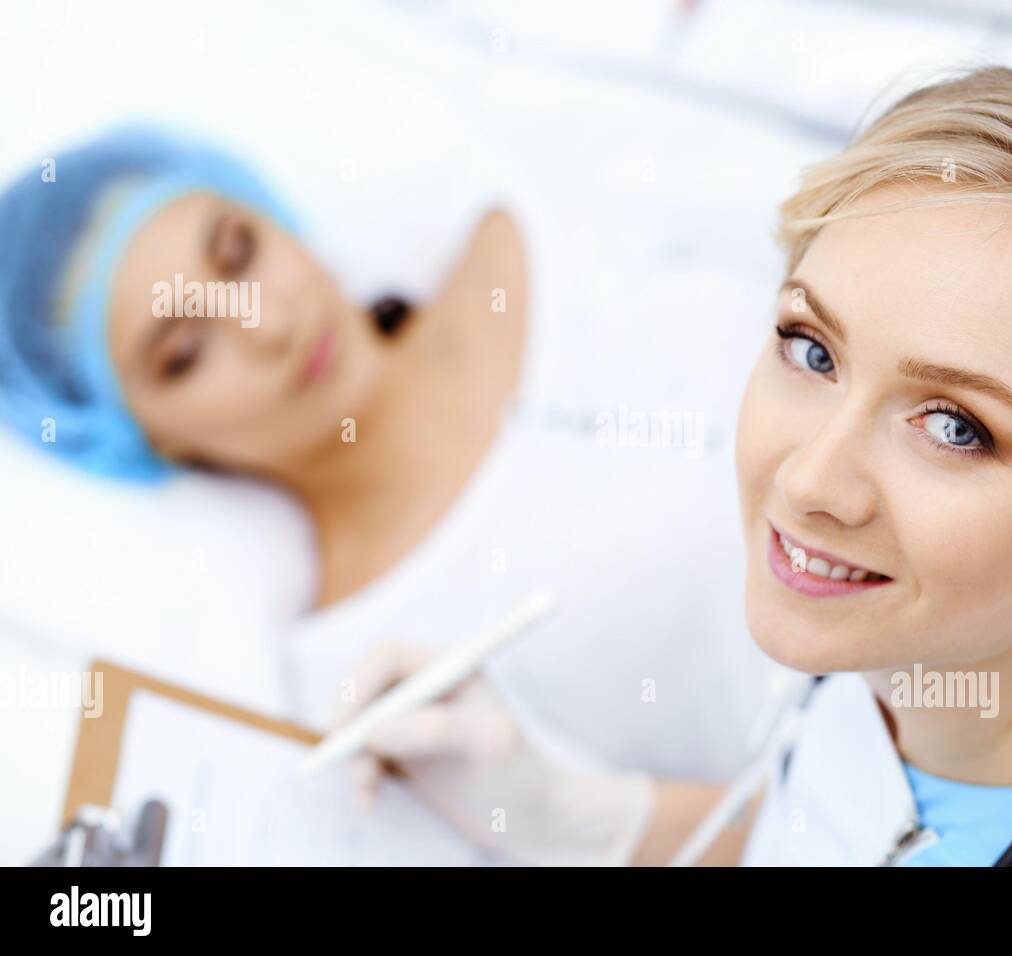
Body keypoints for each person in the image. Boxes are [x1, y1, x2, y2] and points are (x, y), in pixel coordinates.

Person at [334, 58, 1012, 866]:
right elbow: (845, 831)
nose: (807, 483)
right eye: (812, 349)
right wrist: (568, 814)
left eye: (955, 426)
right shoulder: (920, 666)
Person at [0, 126, 779, 864]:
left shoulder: (536, 215)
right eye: (188, 350)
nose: (269, 324)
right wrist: (591, 824)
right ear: (144, 439)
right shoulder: (371, 690)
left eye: (238, 254)